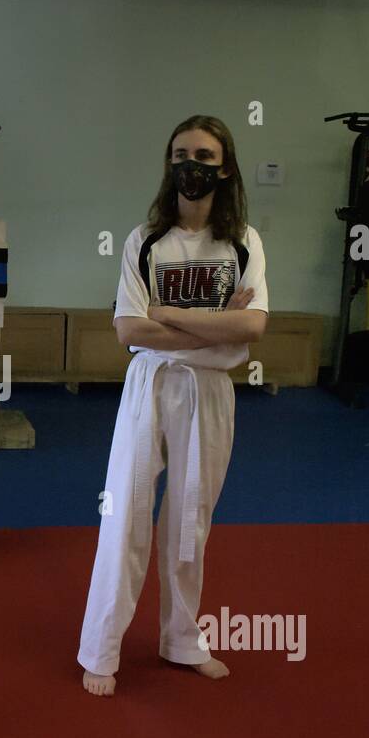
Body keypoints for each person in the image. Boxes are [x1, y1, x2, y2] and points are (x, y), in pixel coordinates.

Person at [78, 115, 268, 696]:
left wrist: (166, 314)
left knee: (191, 521)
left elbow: (253, 326)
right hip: (150, 384)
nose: (192, 165)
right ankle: (100, 648)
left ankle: (182, 640)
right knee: (128, 514)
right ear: (169, 165)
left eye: (205, 155)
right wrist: (215, 326)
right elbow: (127, 330)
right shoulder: (145, 241)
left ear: (225, 167)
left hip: (210, 392)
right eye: (182, 153)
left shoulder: (243, 242)